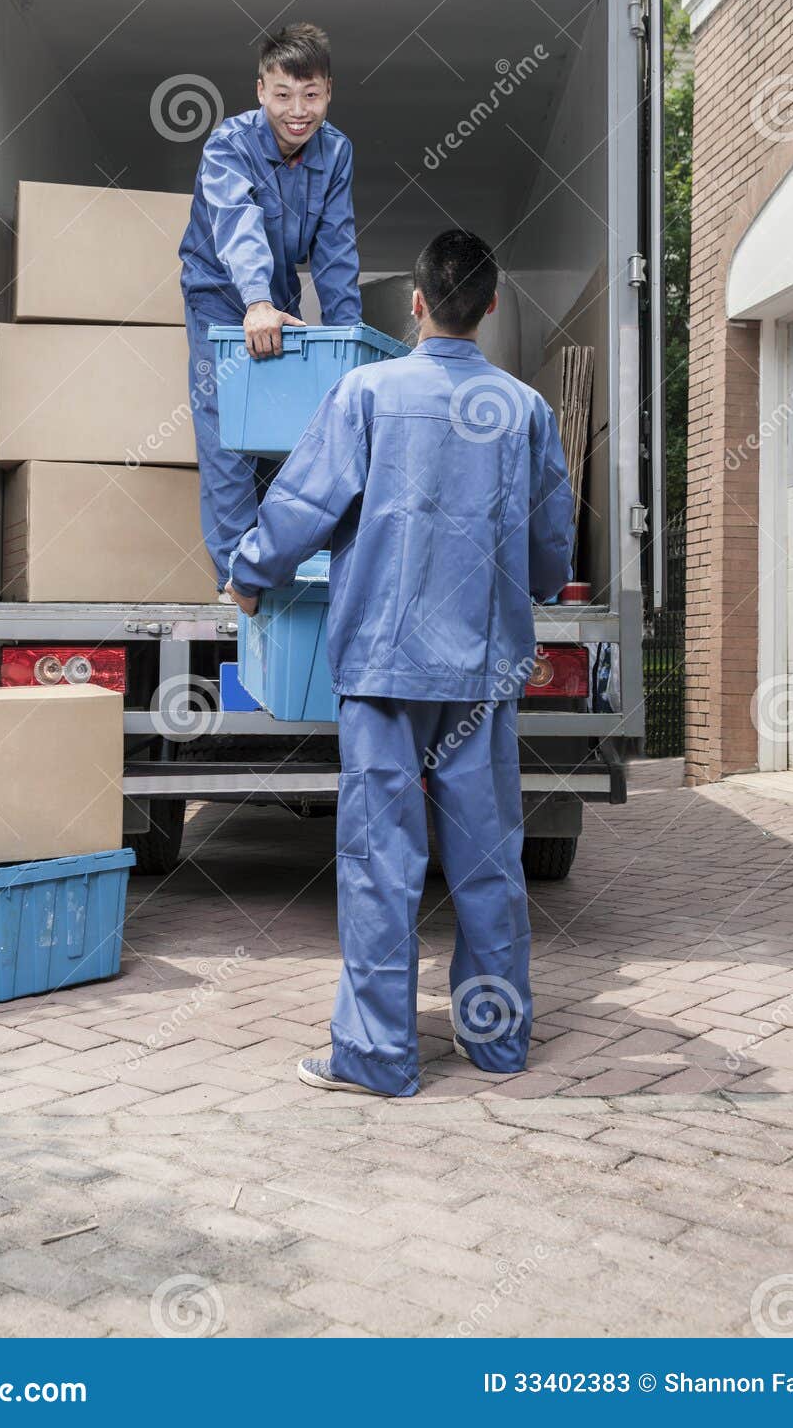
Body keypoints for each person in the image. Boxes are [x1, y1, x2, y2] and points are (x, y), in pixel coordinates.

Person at [226, 228, 575, 1098]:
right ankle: (494, 1043)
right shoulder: (526, 410)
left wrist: (249, 573)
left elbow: (305, 500)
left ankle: (377, 1057)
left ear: (414, 303)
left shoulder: (365, 391)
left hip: (383, 668)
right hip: (480, 675)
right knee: (486, 861)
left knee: (381, 860)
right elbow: (546, 555)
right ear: (490, 307)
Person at [179, 21, 361, 592]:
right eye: (283, 95)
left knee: (295, 432)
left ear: (328, 90)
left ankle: (289, 567)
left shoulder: (335, 153)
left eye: (311, 96)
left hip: (276, 297)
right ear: (261, 91)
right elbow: (239, 224)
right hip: (222, 298)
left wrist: (349, 346)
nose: (297, 111)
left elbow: (336, 249)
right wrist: (254, 302)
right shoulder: (227, 145)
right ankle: (238, 582)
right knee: (228, 431)